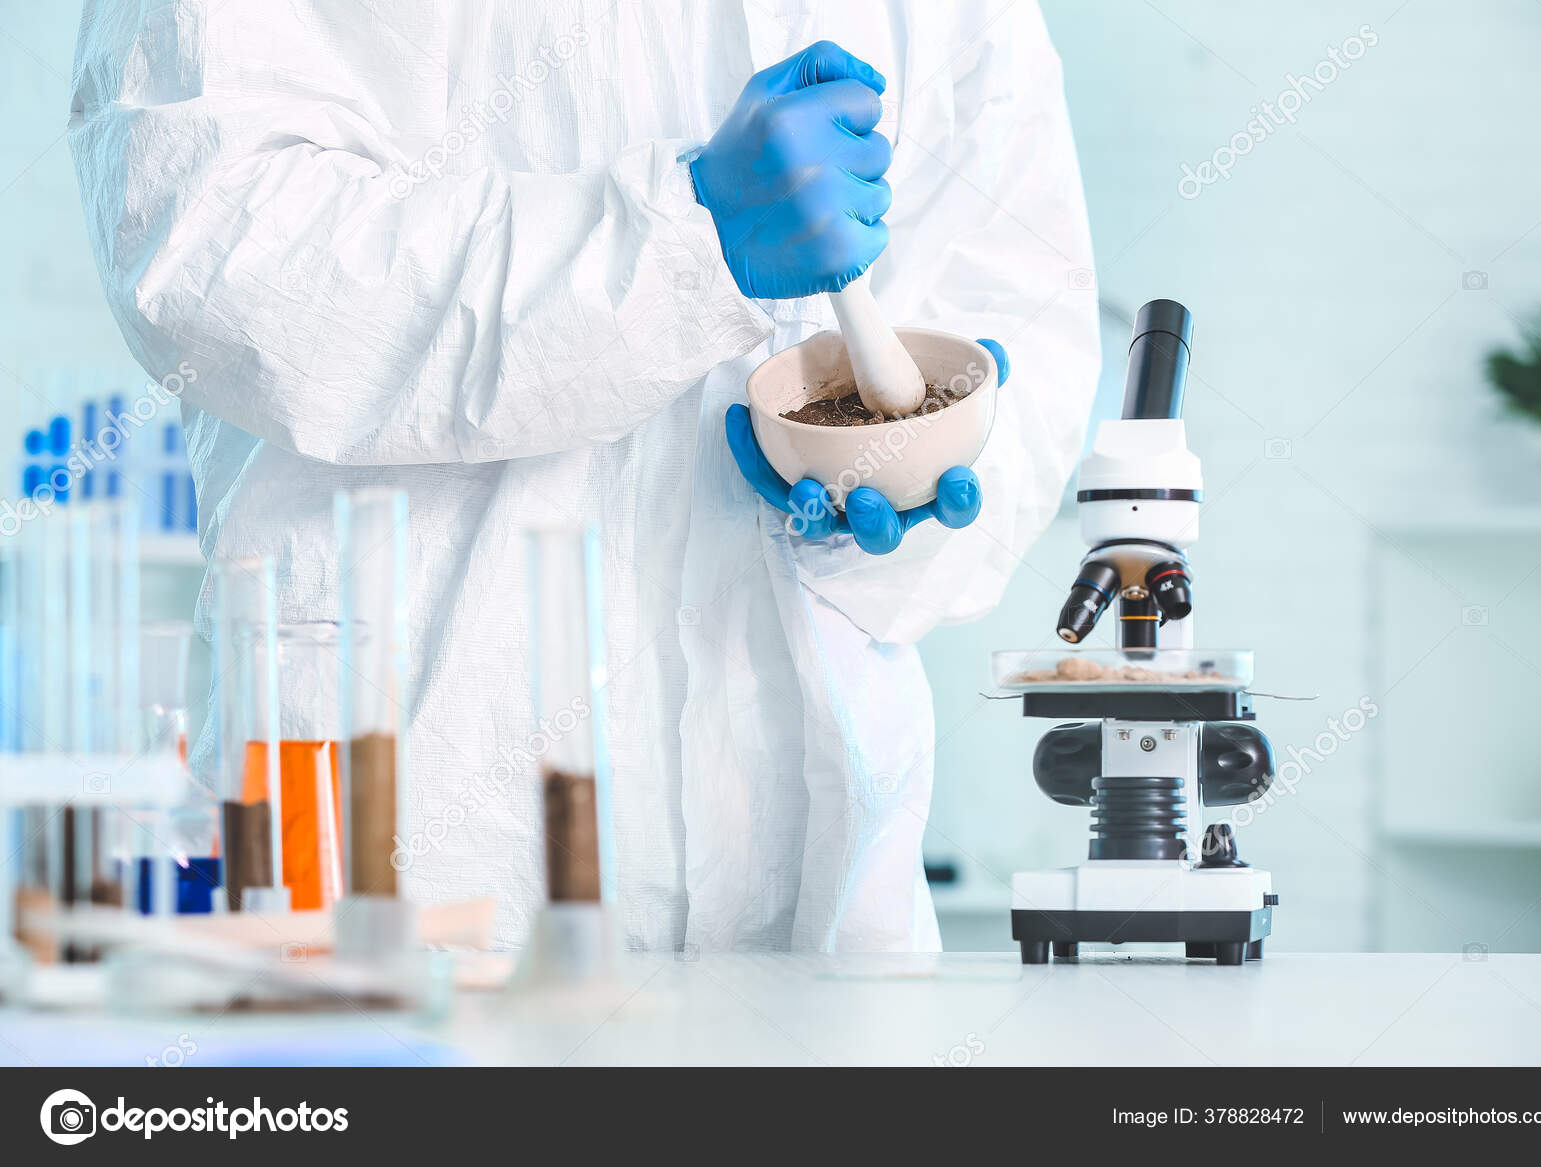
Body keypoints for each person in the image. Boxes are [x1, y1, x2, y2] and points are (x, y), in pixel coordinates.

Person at [69, 1, 1099, 950]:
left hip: (816, 909)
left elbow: (1024, 308)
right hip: (421, 872)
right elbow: (209, 242)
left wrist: (920, 479)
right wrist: (678, 244)